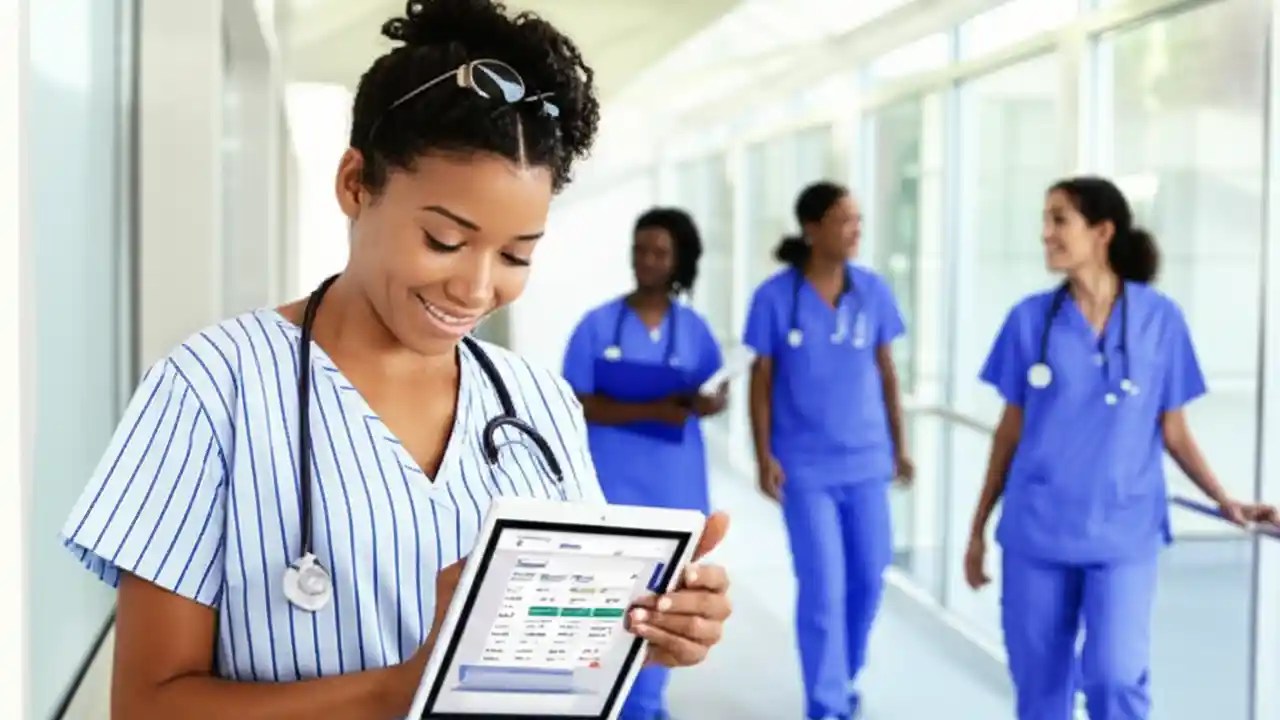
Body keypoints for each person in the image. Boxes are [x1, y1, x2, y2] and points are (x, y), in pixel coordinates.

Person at [58, 2, 733, 718]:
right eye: (445, 241)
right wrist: (396, 688)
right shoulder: (211, 389)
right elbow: (146, 705)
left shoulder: (539, 403)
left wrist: (643, 628)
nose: (476, 289)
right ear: (356, 184)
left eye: (515, 255)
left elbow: (563, 658)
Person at [965, 176, 1279, 720]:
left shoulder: (1160, 320)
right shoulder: (1028, 321)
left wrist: (1224, 500)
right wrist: (977, 529)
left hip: (1123, 530)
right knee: (1040, 687)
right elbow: (1008, 434)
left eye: (1059, 220)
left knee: (1115, 676)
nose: (1045, 234)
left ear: (1102, 232)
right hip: (1038, 530)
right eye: (1045, 220)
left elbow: (1174, 431)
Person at [742, 181, 914, 720]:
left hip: (867, 461)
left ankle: (844, 676)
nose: (855, 229)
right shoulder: (776, 297)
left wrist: (901, 445)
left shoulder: (873, 291)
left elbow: (886, 372)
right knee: (822, 588)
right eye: (844, 219)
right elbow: (761, 381)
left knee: (869, 577)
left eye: (858, 219)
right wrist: (763, 455)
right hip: (805, 467)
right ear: (812, 228)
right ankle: (826, 702)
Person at [562, 207, 727, 720]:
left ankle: (644, 707)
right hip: (611, 484)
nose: (647, 261)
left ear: (679, 260)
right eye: (640, 249)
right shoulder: (597, 325)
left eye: (659, 252)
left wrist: (708, 402)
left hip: (673, 485)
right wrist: (652, 408)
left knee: (661, 607)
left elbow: (714, 390)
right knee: (606, 609)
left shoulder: (693, 329)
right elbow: (574, 401)